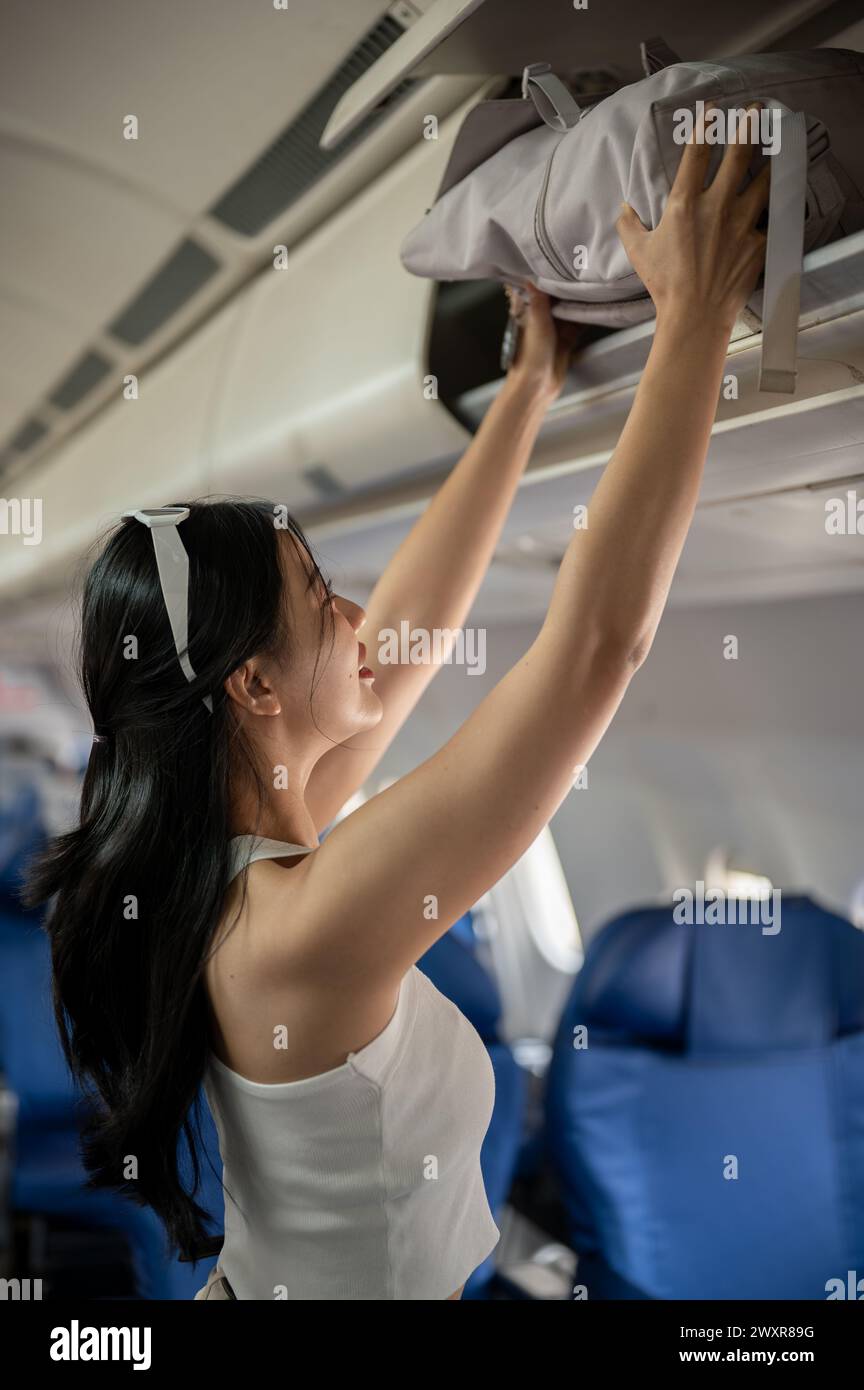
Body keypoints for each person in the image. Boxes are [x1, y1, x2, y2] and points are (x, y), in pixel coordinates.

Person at [24, 104, 769, 1300]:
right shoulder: (298, 928)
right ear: (252, 686)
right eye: (324, 599)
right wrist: (692, 318)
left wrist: (529, 384)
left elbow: (416, 630)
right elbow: (593, 650)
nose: (365, 617)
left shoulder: (246, 859)